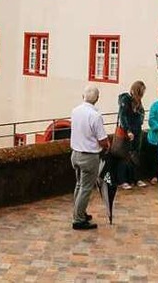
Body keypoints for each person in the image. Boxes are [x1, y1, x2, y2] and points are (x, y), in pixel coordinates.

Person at [69, 85, 110, 231]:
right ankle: (78, 219)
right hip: (89, 155)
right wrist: (107, 146)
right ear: (97, 99)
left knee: (79, 185)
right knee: (85, 188)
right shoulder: (95, 115)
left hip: (75, 153)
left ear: (83, 96)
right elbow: (102, 139)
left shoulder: (75, 111)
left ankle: (78, 212)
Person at [116, 80, 147, 189]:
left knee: (135, 155)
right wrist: (128, 130)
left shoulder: (138, 102)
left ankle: (135, 178)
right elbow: (123, 116)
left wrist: (140, 119)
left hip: (137, 130)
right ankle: (122, 180)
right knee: (124, 156)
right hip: (127, 132)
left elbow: (141, 114)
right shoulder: (126, 99)